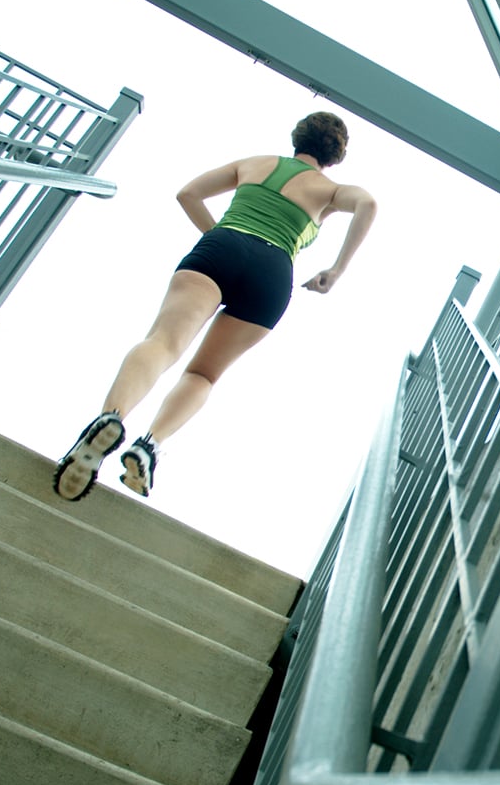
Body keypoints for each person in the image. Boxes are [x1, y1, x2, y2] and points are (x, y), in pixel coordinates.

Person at [52, 111, 376, 501]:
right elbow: (368, 203)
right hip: (273, 273)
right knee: (204, 375)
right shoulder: (330, 190)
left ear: (298, 137)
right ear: (336, 154)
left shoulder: (255, 163)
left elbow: (187, 193)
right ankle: (149, 445)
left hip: (223, 245)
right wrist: (336, 271)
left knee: (163, 343)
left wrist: (220, 238)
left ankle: (110, 418)